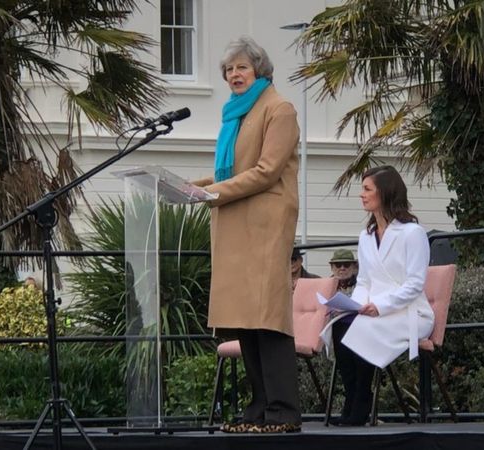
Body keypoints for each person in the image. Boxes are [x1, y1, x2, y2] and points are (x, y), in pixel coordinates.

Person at [192, 36, 301, 434]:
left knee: (268, 319)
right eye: (229, 69)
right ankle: (259, 409)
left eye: (241, 67)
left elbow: (266, 171)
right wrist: (191, 187)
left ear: (259, 70)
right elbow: (231, 174)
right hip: (237, 224)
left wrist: (210, 192)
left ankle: (283, 411)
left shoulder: (279, 109)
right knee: (247, 321)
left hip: (265, 225)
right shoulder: (236, 114)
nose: (234, 74)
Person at [321, 165, 435, 426]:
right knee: (340, 325)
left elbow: (415, 284)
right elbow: (364, 281)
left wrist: (379, 307)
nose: (362, 194)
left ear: (384, 193)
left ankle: (361, 403)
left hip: (409, 313)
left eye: (367, 189)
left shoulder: (412, 233)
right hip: (372, 310)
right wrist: (355, 306)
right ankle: (353, 397)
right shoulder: (366, 236)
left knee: (365, 329)